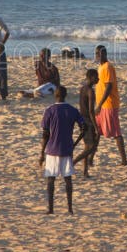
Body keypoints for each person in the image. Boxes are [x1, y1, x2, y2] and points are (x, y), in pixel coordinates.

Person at [39, 86, 85, 214]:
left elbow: (45, 134)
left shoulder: (49, 111)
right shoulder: (72, 110)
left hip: (52, 149)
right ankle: (70, 208)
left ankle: (51, 209)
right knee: (68, 179)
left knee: (51, 180)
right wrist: (75, 143)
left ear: (55, 95)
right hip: (66, 148)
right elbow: (84, 127)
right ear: (65, 95)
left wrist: (42, 153)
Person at [94, 45, 127, 165]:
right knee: (97, 131)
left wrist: (100, 104)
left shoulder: (107, 67)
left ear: (104, 54)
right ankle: (91, 158)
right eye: (96, 54)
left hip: (109, 105)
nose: (97, 56)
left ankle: (124, 160)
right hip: (101, 105)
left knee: (116, 133)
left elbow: (109, 87)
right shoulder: (101, 67)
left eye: (99, 54)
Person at [73, 69, 99, 177]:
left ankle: (85, 172)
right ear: (91, 77)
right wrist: (96, 126)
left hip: (82, 119)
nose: (98, 79)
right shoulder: (90, 91)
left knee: (87, 147)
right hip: (88, 121)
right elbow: (91, 111)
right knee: (92, 147)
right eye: (96, 77)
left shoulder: (82, 88)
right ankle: (73, 162)